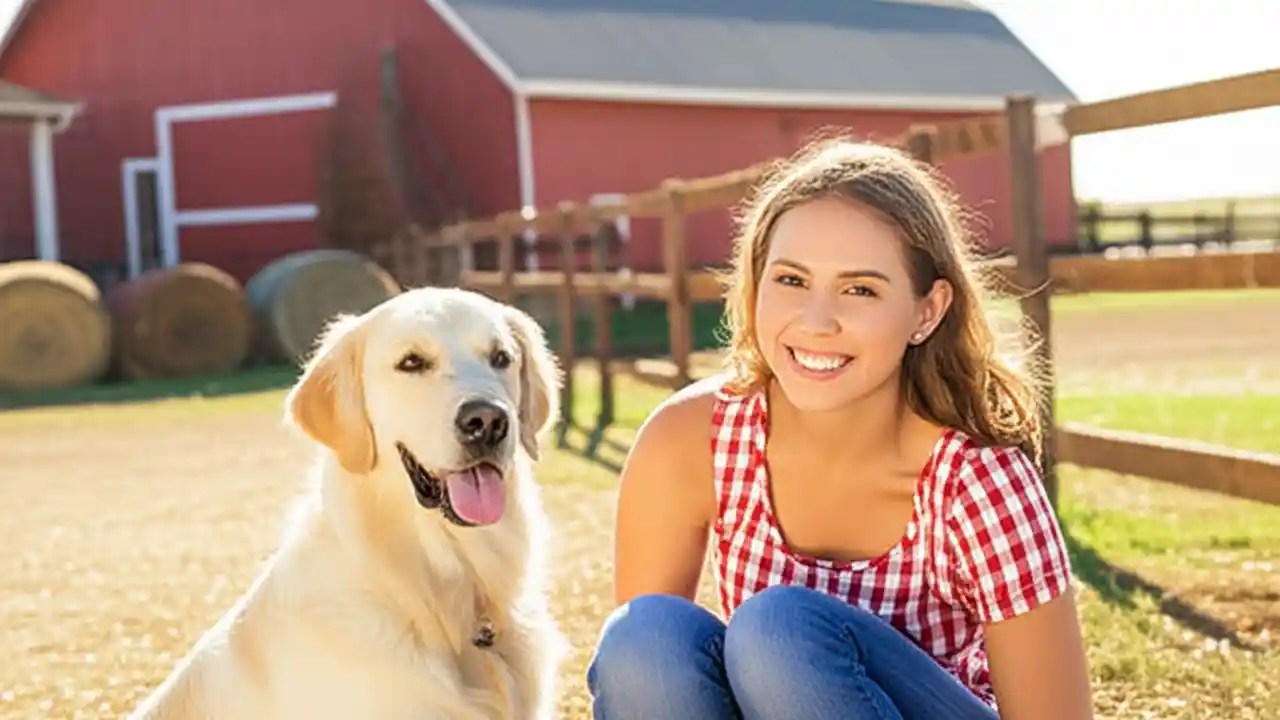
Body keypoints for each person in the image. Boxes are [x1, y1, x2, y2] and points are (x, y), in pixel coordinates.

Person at [586, 137, 1093, 719]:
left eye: (860, 290)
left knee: (779, 630)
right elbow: (645, 689)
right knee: (643, 635)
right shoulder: (689, 439)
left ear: (926, 311)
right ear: (755, 286)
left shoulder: (977, 481)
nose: (817, 321)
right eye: (792, 281)